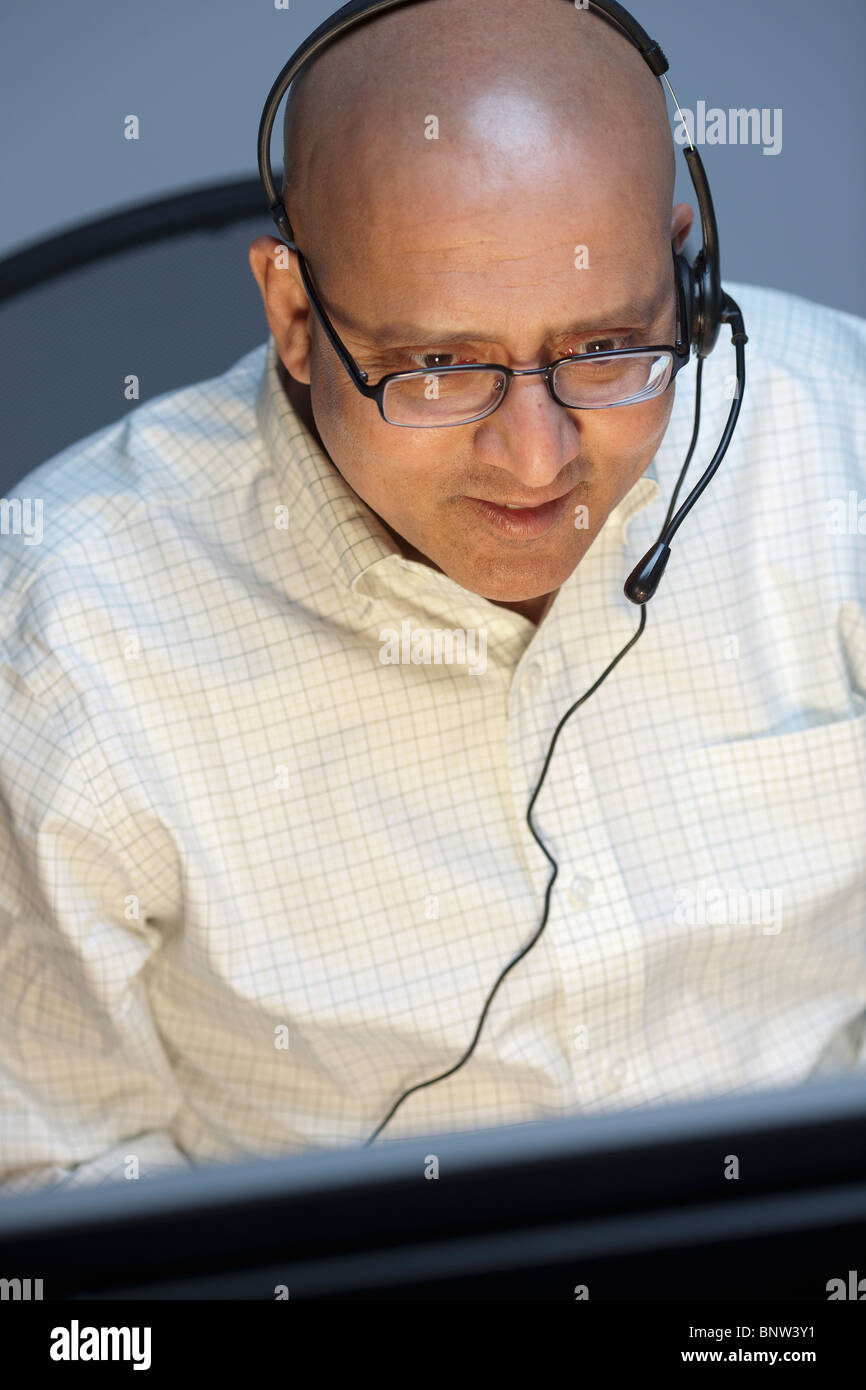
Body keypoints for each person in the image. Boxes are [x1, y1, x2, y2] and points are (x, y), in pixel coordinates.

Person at [1, 0, 865, 1196]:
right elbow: (47, 1171)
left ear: (683, 266)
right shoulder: (64, 630)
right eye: (437, 368)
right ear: (295, 316)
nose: (534, 459)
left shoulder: (842, 450)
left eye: (607, 347)